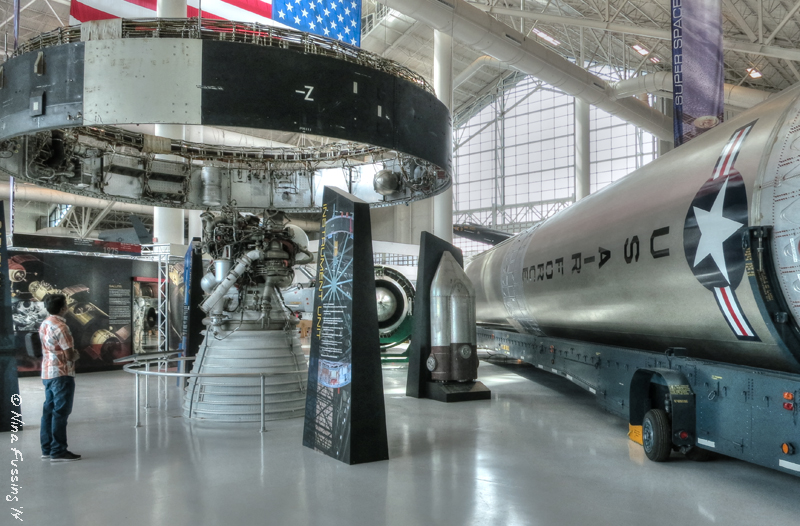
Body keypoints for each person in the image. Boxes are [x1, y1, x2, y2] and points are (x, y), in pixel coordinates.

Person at [39, 293, 82, 462]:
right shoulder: (62, 327)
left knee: (48, 412)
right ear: (63, 308)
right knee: (60, 413)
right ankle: (58, 451)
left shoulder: (45, 323)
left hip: (48, 373)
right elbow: (69, 355)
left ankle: (47, 449)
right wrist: (76, 355)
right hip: (62, 374)